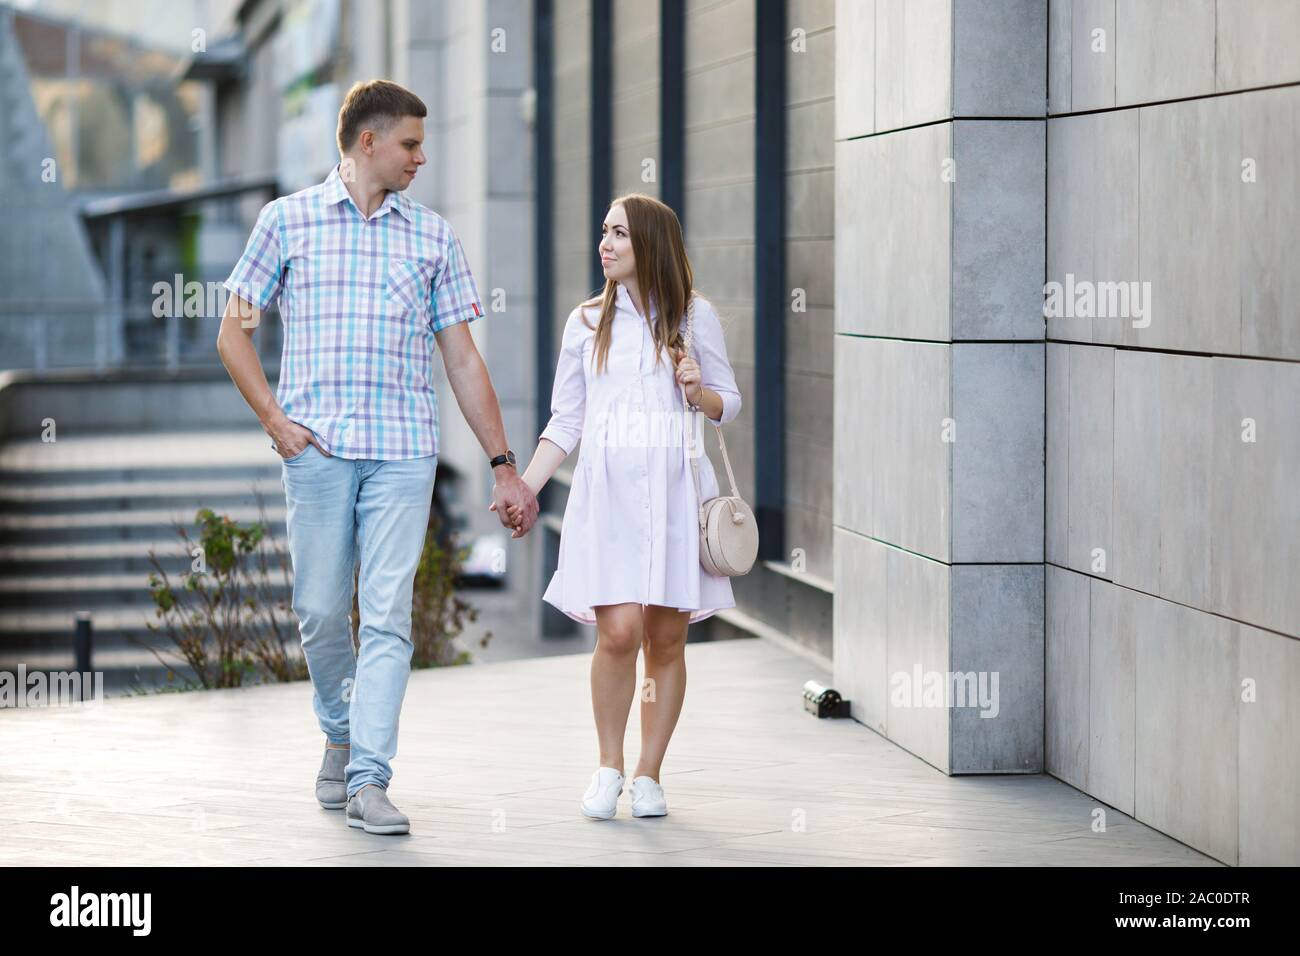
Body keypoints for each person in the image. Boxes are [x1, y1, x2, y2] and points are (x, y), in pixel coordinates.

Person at [217, 80, 538, 836]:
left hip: (402, 458)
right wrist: (275, 420)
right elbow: (234, 333)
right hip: (318, 456)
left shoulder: (432, 238)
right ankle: (338, 731)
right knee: (322, 612)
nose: (421, 158)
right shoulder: (286, 222)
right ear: (368, 142)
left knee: (387, 617)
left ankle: (369, 776)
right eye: (410, 145)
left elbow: (462, 360)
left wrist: (502, 464)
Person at [504, 193, 742, 820]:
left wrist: (701, 392)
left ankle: (649, 774)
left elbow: (730, 402)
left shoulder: (695, 317)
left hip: (675, 491)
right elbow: (566, 418)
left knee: (665, 638)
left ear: (651, 246)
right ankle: (608, 765)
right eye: (604, 232)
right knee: (617, 633)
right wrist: (526, 486)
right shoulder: (585, 322)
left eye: (619, 235)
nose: (604, 245)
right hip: (606, 495)